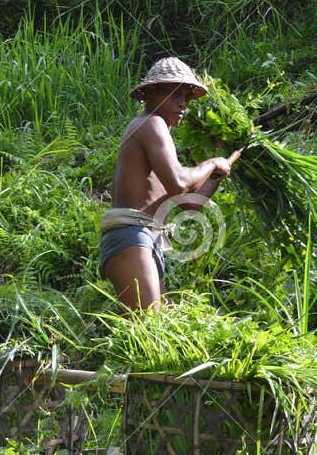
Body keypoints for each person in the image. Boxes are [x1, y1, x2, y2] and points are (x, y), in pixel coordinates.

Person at [99, 57, 240, 311]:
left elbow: (188, 204)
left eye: (186, 97)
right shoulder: (150, 123)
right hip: (131, 236)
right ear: (150, 93)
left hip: (147, 239)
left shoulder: (159, 132)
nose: (182, 103)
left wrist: (217, 176)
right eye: (175, 94)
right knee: (149, 328)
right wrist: (211, 164)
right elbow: (178, 183)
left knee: (158, 329)